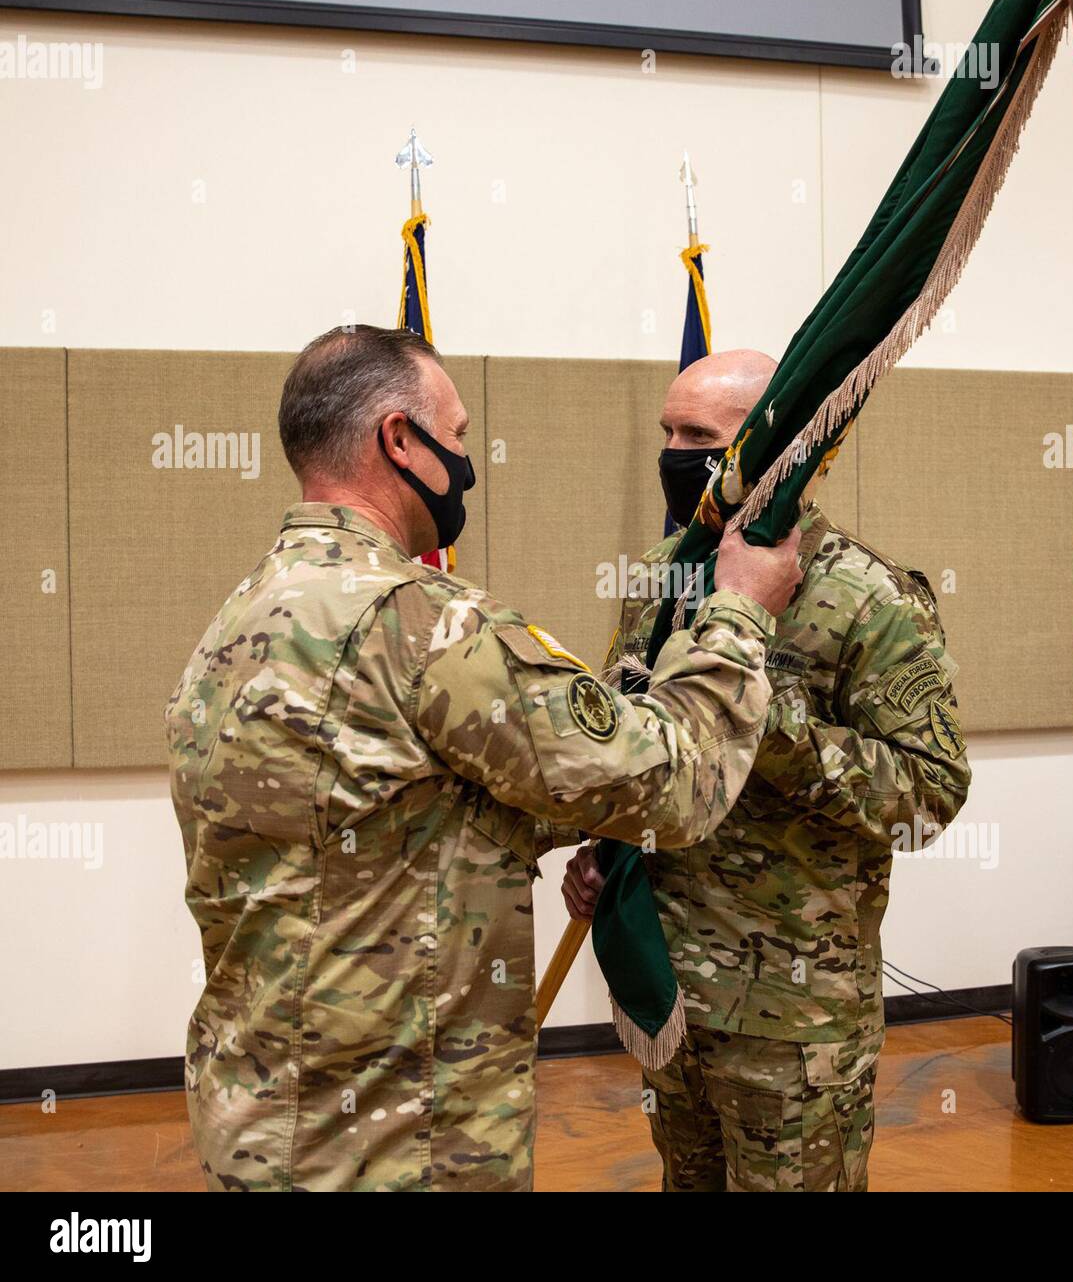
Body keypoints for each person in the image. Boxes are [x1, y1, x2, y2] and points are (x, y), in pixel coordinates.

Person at [164, 325, 801, 1191]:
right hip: (402, 1145)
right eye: (457, 436)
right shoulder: (424, 624)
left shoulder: (237, 623)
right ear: (400, 439)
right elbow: (671, 780)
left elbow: (388, 810)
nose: (466, 461)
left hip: (263, 1124)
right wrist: (738, 613)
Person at [564, 349, 971, 1192]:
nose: (676, 455)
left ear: (768, 449)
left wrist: (764, 720)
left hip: (791, 1014)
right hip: (669, 988)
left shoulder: (864, 594)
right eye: (667, 432)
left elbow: (928, 795)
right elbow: (643, 750)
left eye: (700, 436)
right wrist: (605, 850)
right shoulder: (663, 574)